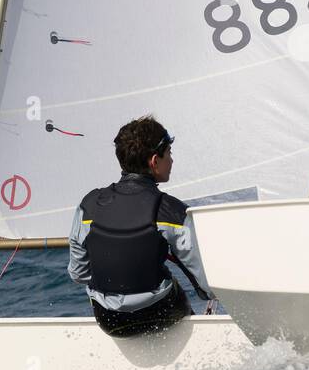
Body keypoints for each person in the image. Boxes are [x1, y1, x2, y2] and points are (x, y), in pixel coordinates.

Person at [68, 115, 213, 337]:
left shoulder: (88, 205)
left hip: (109, 321)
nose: (172, 161)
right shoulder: (171, 211)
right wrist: (211, 295)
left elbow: (78, 273)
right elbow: (202, 281)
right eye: (169, 154)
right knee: (172, 286)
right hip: (157, 315)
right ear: (155, 161)